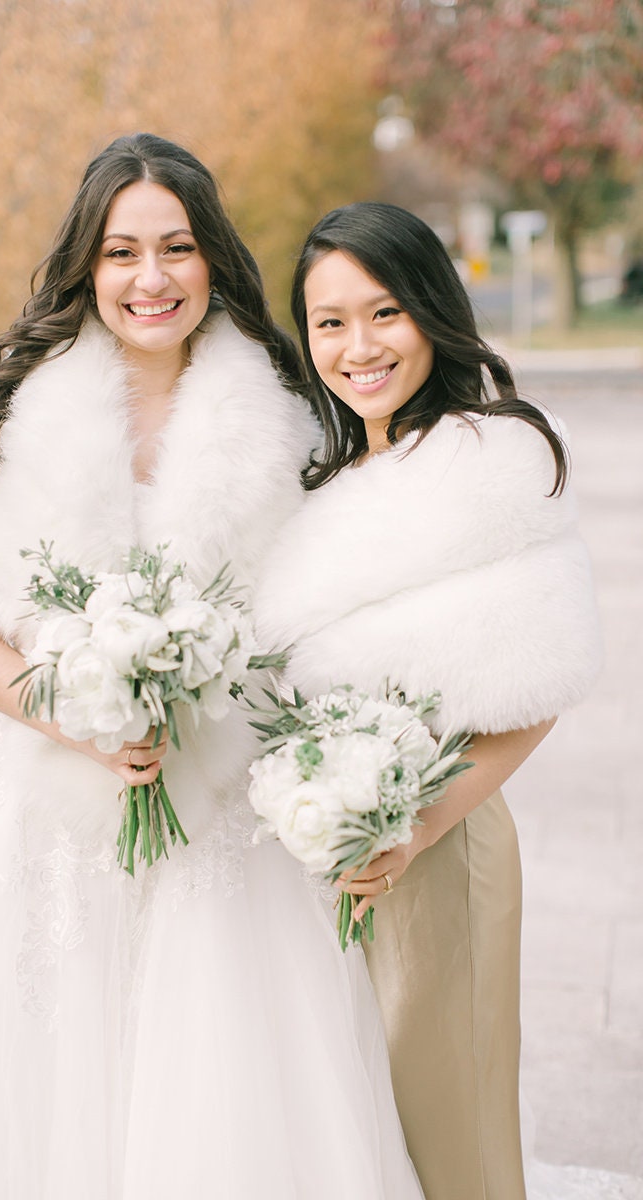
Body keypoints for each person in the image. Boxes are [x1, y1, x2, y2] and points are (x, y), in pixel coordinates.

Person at [0, 138, 426, 1199]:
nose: (149, 279)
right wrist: (75, 714)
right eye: (121, 253)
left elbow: (303, 629)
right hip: (32, 801)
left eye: (175, 248)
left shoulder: (289, 424)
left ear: (212, 262)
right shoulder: (8, 411)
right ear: (87, 265)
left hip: (220, 813)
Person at [254, 202, 602, 1200]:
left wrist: (413, 827)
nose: (355, 347)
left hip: (440, 850)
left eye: (384, 313)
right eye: (327, 322)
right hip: (320, 857)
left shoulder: (493, 462)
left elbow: (534, 687)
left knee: (452, 1144)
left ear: (431, 313)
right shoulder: (314, 483)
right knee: (348, 1142)